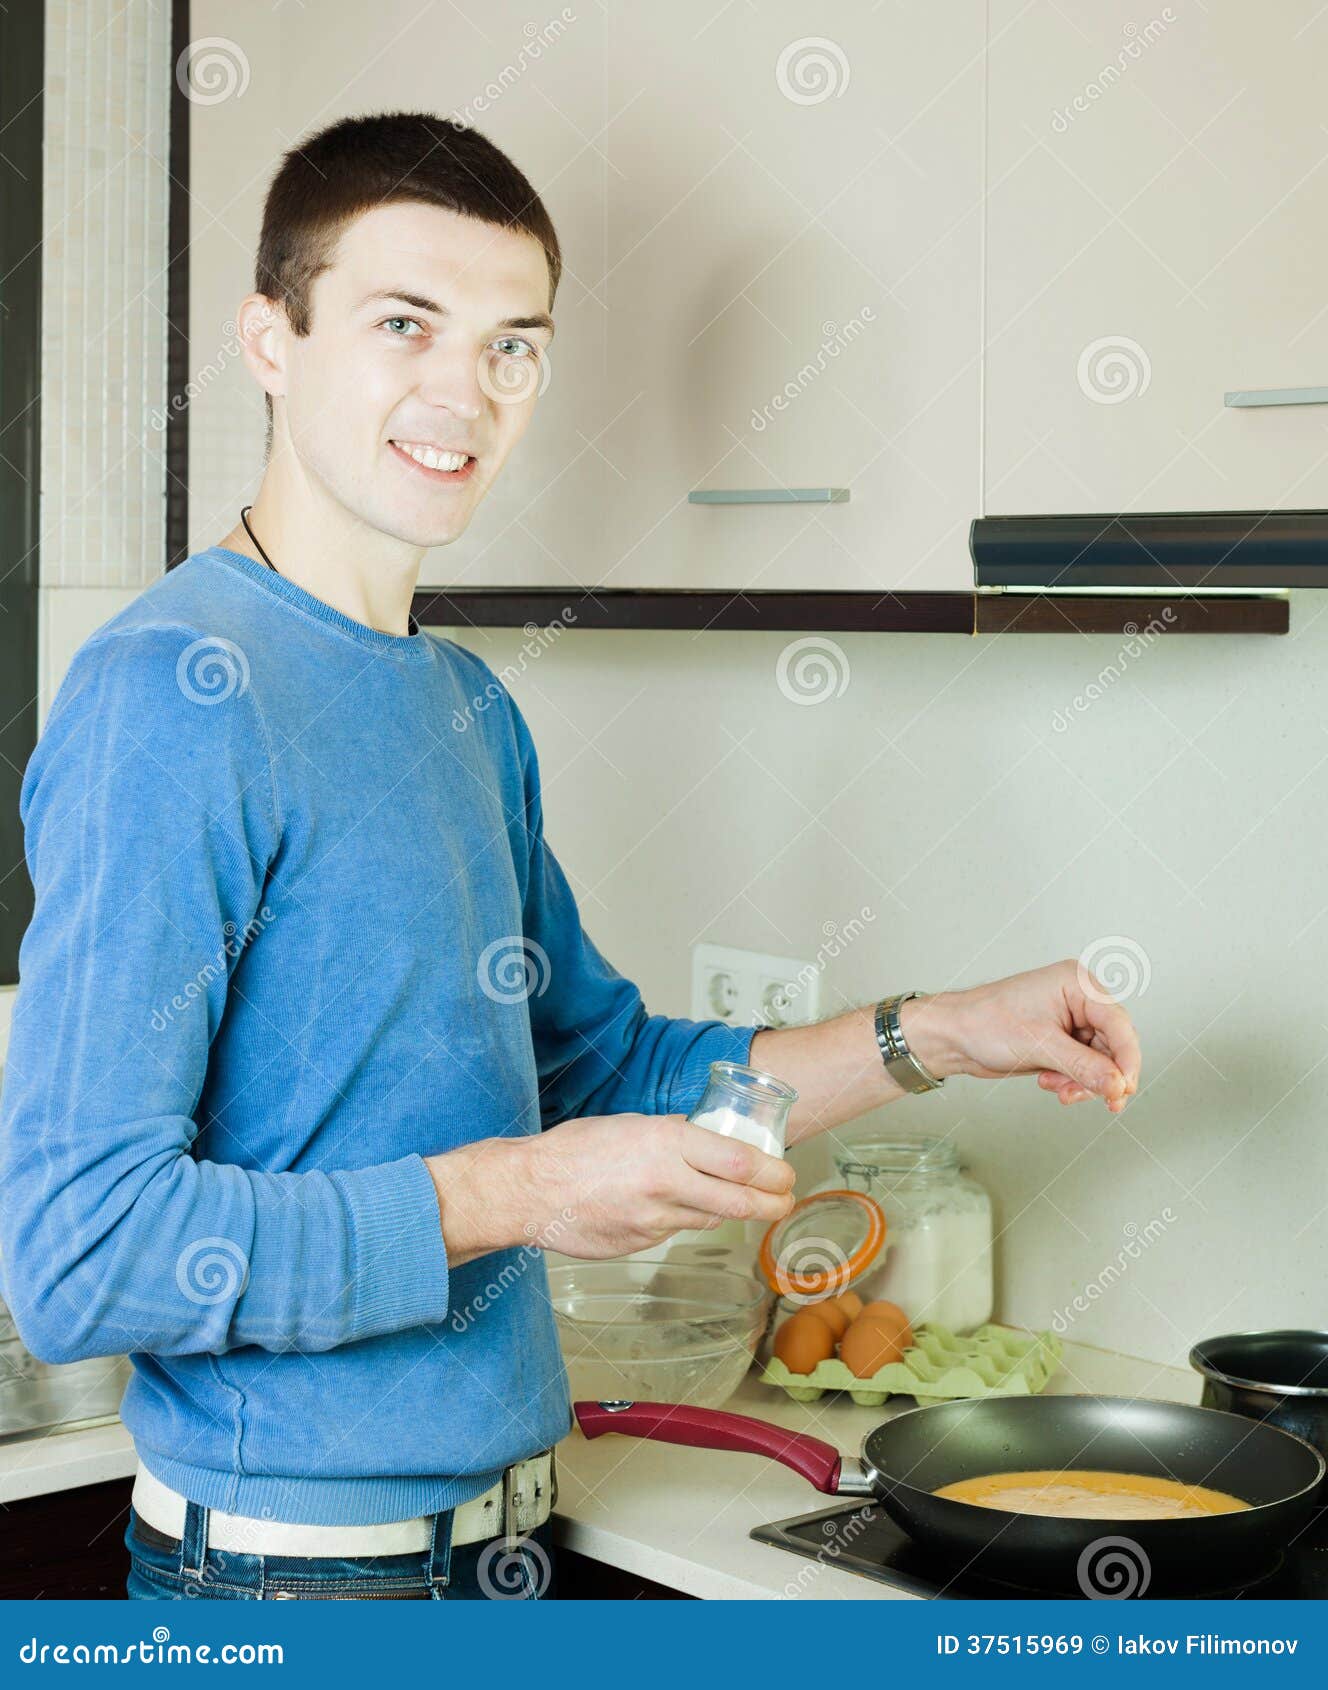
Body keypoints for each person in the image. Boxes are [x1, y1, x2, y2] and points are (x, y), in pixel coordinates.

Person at [0, 112, 1140, 1602]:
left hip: (503, 1545)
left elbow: (609, 1074)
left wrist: (937, 1032)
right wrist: (519, 1194)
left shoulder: (466, 707)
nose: (463, 392)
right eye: (405, 323)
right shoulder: (174, 694)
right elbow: (82, 1255)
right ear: (269, 338)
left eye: (511, 346)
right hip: (294, 1586)